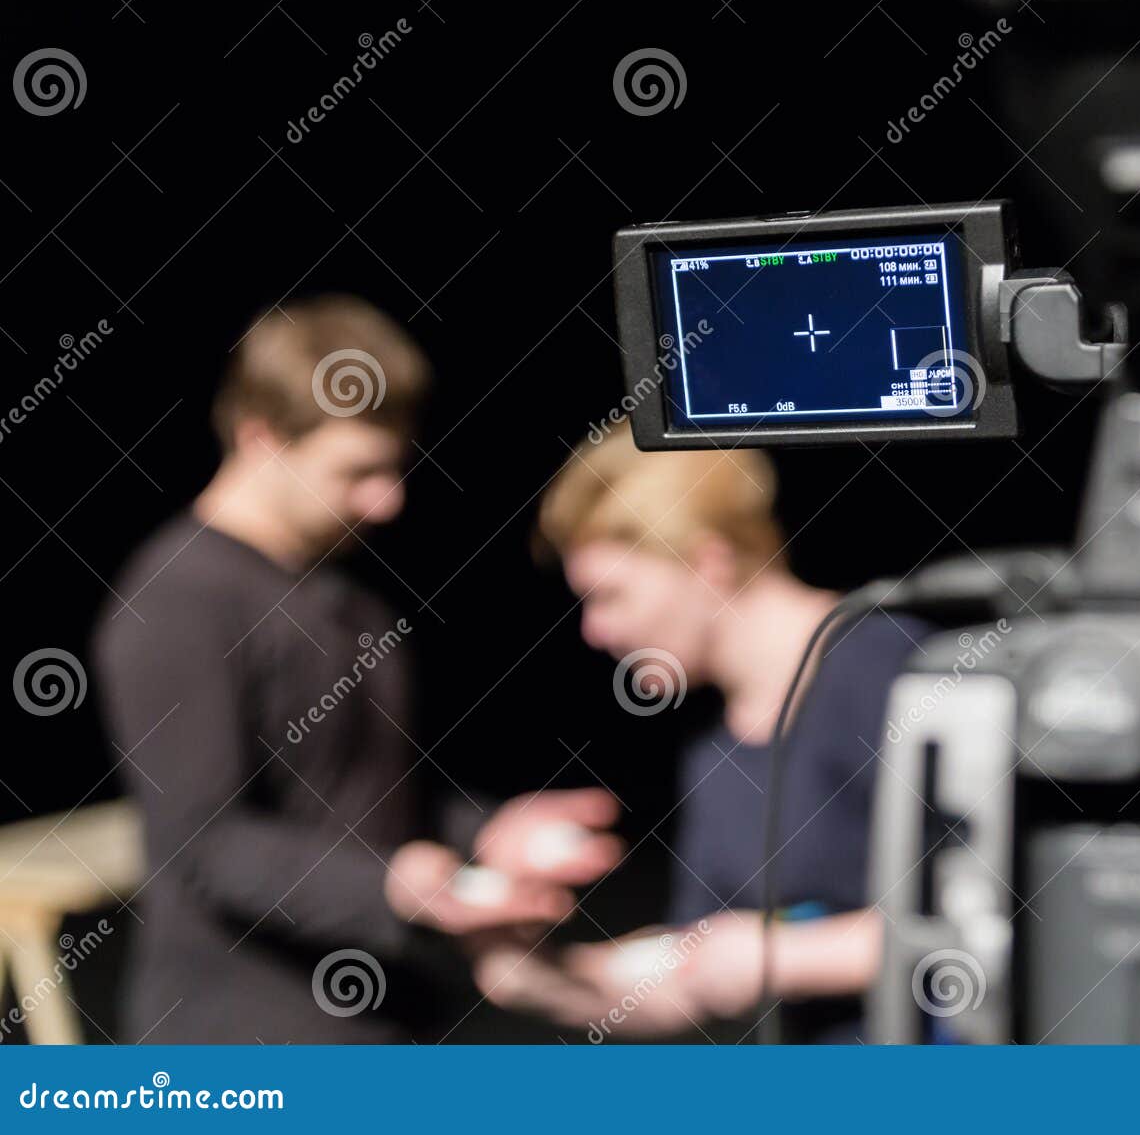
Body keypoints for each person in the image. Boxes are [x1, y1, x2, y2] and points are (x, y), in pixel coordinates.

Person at [92, 296, 620, 1043]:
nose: (387, 499)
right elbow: (203, 841)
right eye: (356, 470)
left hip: (382, 1018)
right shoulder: (178, 601)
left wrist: (487, 829)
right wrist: (392, 888)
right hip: (247, 1035)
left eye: (394, 465)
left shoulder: (343, 588)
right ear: (261, 438)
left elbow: (366, 792)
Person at [471, 426, 929, 1041]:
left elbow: (1009, 909)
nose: (595, 631)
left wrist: (789, 957)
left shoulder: (889, 666)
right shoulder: (713, 746)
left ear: (707, 561)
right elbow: (696, 974)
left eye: (611, 595)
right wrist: (527, 971)